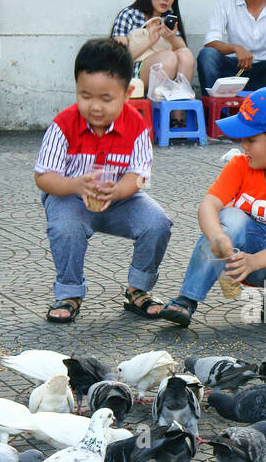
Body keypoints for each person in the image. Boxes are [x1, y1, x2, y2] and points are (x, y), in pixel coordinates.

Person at [33, 39, 171, 323]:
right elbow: (44, 177)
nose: (95, 106)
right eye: (85, 96)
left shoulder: (136, 126)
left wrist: (119, 190)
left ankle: (138, 290)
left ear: (127, 93)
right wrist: (75, 186)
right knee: (66, 226)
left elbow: (139, 174)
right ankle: (69, 292)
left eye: (106, 98)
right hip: (69, 197)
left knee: (157, 223)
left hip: (121, 199)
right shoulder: (63, 125)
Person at [159, 87, 266, 329]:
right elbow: (209, 204)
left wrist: (255, 262)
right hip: (234, 255)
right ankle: (187, 298)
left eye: (251, 139)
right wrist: (217, 237)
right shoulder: (240, 165)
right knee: (231, 217)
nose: (243, 145)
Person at [110, 0, 194, 93]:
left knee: (185, 55)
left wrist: (170, 37)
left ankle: (177, 110)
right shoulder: (129, 15)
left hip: (166, 73)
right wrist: (149, 40)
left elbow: (184, 51)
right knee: (168, 58)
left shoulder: (169, 18)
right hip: (132, 72)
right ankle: (154, 109)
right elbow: (119, 58)